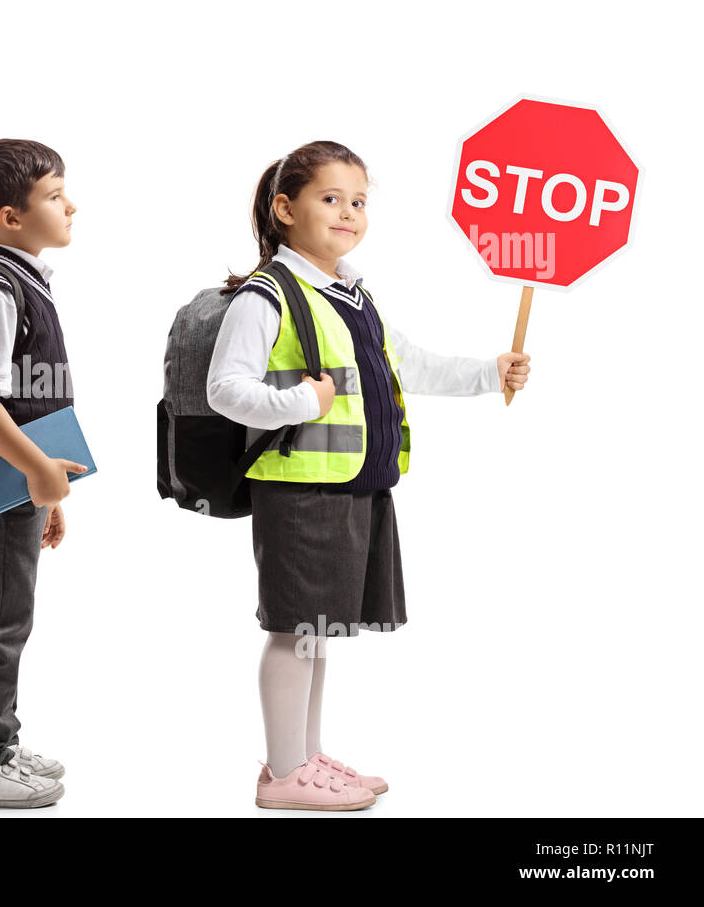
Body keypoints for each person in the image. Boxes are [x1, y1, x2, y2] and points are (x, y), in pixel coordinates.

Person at [206, 140, 531, 811]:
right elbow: (225, 390)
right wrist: (302, 402)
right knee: (297, 629)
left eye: (358, 200)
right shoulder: (268, 297)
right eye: (331, 198)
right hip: (300, 491)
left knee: (318, 630)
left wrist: (486, 373)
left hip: (353, 486)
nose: (349, 211)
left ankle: (304, 756)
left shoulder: (351, 294)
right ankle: (285, 776)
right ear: (284, 208)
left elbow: (404, 363)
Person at [0, 138, 87, 808]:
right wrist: (34, 470)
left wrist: (46, 488)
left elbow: (29, 398)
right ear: (10, 216)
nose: (71, 206)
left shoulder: (24, 281)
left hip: (15, 486)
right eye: (55, 196)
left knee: (8, 617)